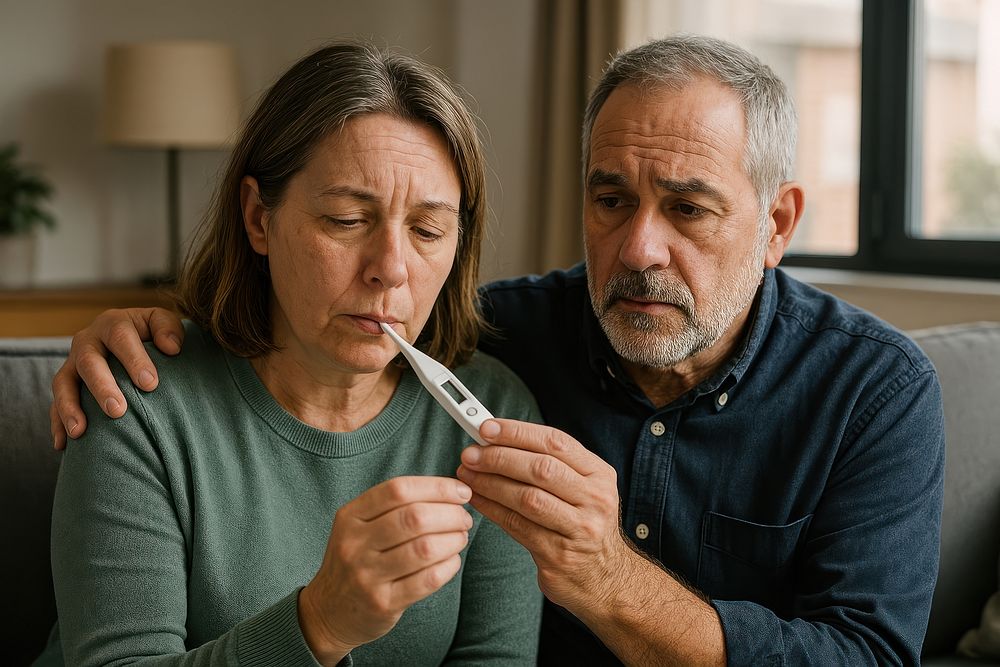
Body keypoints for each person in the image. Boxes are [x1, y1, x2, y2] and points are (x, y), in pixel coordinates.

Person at [50, 34, 945, 665]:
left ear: (778, 222)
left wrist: (605, 574)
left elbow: (863, 653)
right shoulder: (484, 340)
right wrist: (124, 325)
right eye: (608, 200)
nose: (637, 249)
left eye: (688, 208)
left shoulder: (873, 390)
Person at [35, 42, 543, 667]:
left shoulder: (492, 415)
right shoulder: (137, 402)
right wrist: (321, 625)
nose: (391, 269)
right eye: (346, 220)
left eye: (428, 231)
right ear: (257, 219)